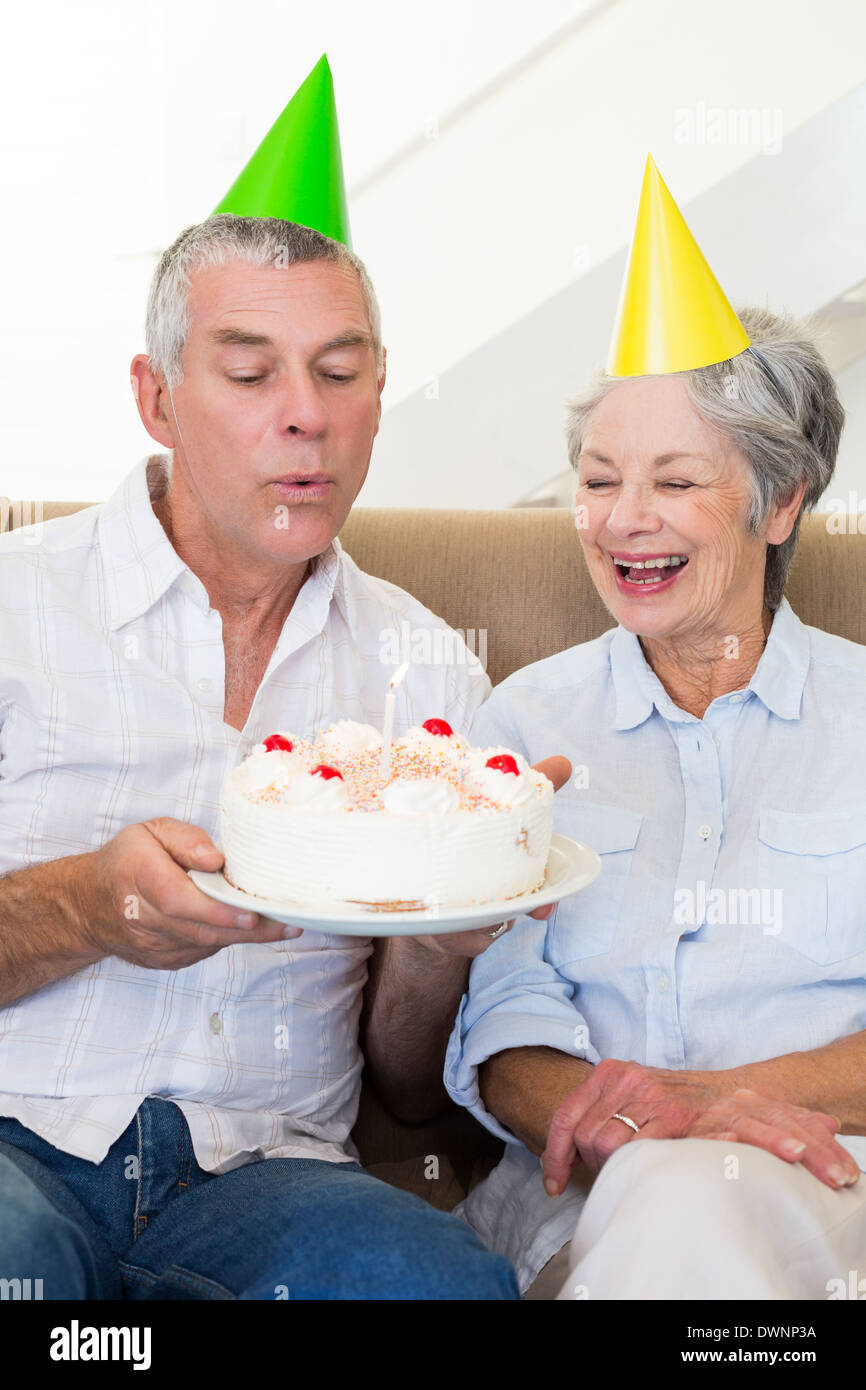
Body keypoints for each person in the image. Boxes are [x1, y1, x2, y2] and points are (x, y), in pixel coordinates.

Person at [0, 61, 569, 1299]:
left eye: (341, 371)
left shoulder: (428, 669)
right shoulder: (14, 606)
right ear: (156, 397)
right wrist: (89, 908)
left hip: (266, 1175)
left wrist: (443, 940)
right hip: (15, 1144)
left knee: (440, 1293)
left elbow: (411, 1094)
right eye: (251, 373)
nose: (303, 418)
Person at [444, 160, 866, 1300]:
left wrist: (722, 1102)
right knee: (672, 1198)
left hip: (832, 1190)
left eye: (673, 481)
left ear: (779, 503)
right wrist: (631, 1124)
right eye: (596, 480)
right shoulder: (522, 720)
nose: (623, 520)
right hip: (588, 1194)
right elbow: (505, 1017)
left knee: (694, 1196)